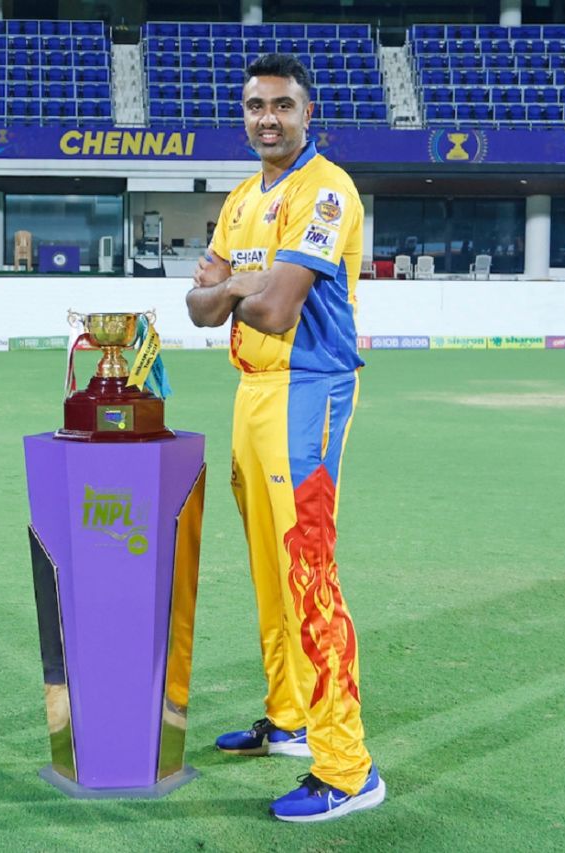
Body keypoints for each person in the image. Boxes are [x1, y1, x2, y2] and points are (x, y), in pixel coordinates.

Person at [185, 53, 384, 823]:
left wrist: (231, 286)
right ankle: (292, 719)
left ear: (309, 113)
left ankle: (348, 766)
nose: (266, 117)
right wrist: (237, 287)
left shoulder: (326, 191)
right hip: (252, 393)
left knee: (309, 571)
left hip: (310, 391)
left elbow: (275, 311)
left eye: (282, 105)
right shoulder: (241, 197)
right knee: (270, 570)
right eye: (254, 105)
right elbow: (199, 308)